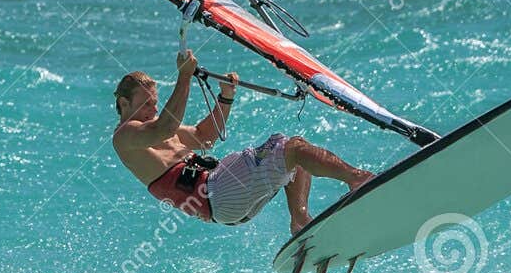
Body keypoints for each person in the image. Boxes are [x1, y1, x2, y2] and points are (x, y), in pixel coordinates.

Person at [112, 50, 374, 232]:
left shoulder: (153, 128)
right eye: (147, 104)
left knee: (295, 153)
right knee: (292, 149)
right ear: (124, 104)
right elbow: (164, 127)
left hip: (226, 202)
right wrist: (184, 76)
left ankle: (300, 221)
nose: (153, 110)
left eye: (155, 103)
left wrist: (226, 97)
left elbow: (205, 137)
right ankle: (358, 178)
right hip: (216, 194)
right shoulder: (126, 136)